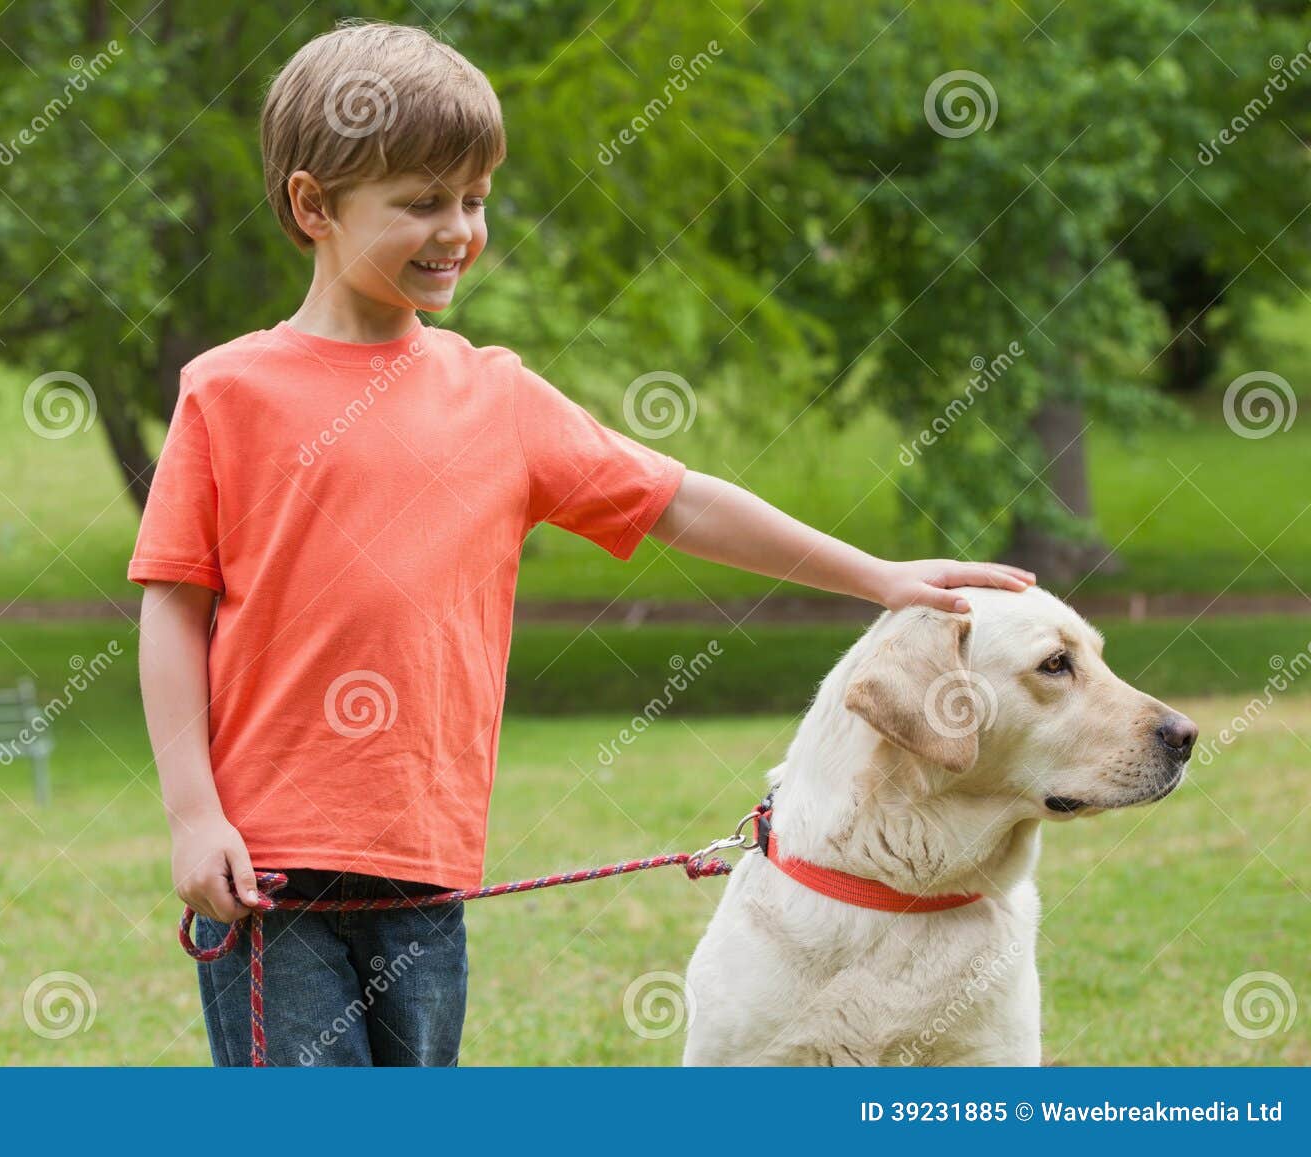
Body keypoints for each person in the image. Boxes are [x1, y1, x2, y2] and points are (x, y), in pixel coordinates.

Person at [127, 19, 1036, 1068]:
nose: (457, 229)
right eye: (421, 201)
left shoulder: (497, 397)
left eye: (473, 198)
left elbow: (681, 502)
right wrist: (195, 813)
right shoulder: (230, 392)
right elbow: (173, 606)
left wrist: (876, 575)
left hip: (427, 866)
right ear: (312, 206)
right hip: (270, 873)